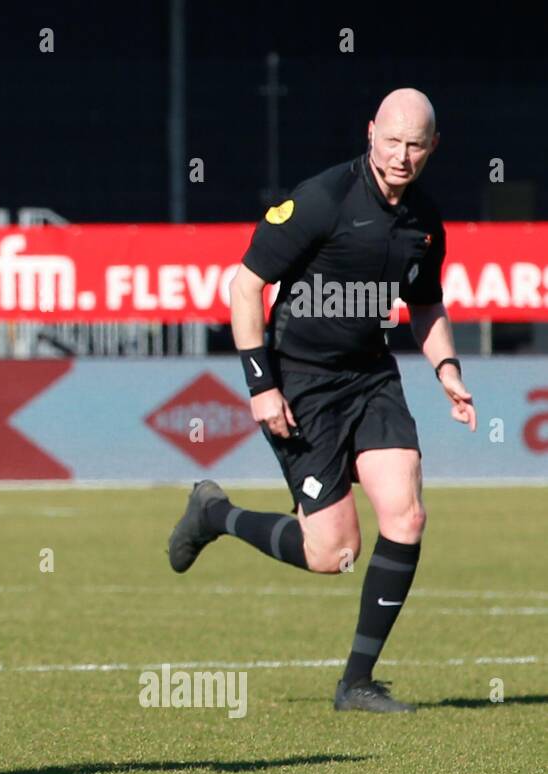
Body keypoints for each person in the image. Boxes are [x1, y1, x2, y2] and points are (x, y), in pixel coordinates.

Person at [168, 88, 475, 713]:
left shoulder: (425, 221)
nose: (402, 155)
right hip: (301, 382)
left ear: (433, 147)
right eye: (392, 140)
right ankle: (215, 515)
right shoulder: (322, 200)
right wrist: (261, 386)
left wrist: (446, 368)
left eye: (416, 144)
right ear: (370, 134)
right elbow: (245, 286)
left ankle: (356, 684)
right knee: (333, 553)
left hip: (372, 377)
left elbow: (424, 304)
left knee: (407, 516)